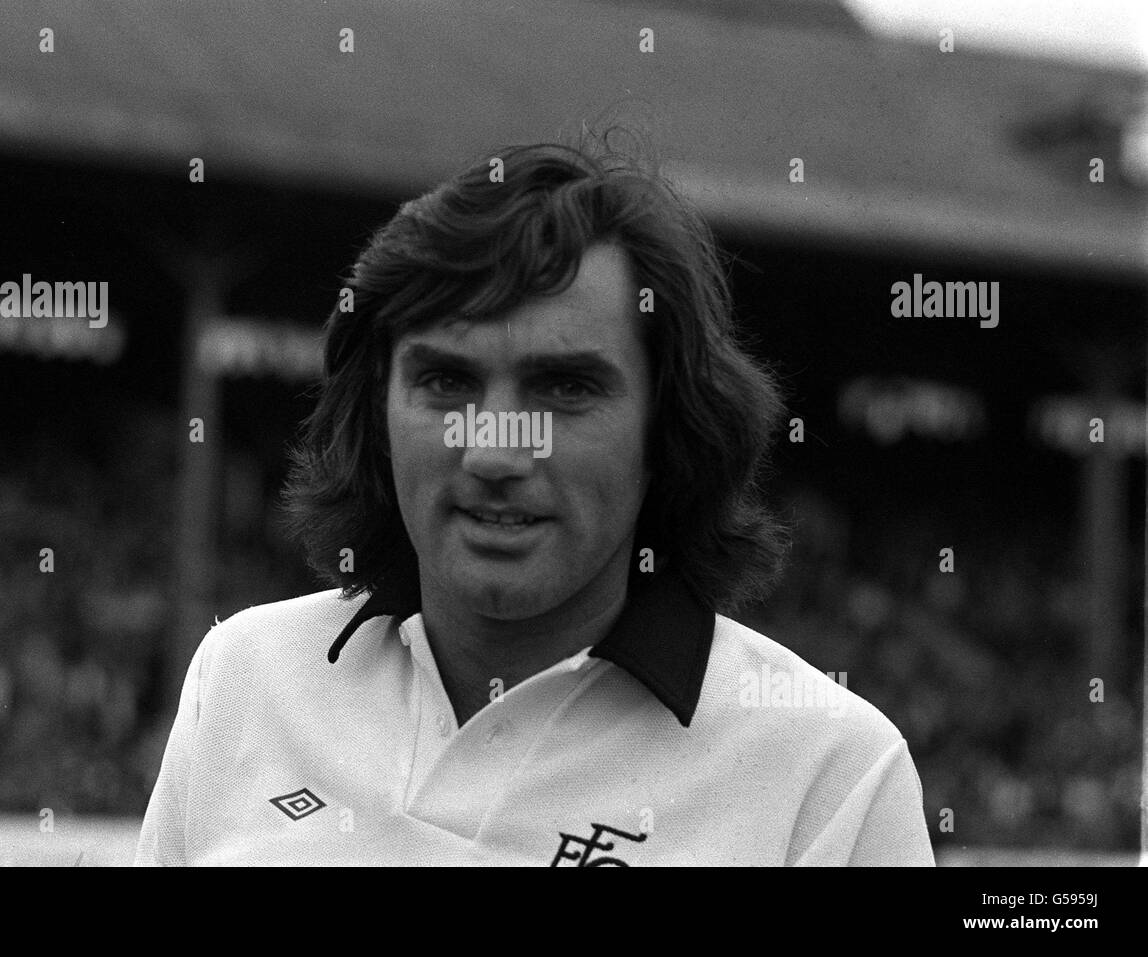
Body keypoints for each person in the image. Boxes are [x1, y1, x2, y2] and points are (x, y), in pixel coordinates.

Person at [134, 132, 935, 866]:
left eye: (563, 388)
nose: (494, 450)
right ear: (378, 411)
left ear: (668, 426)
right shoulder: (247, 676)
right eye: (446, 381)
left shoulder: (831, 774)